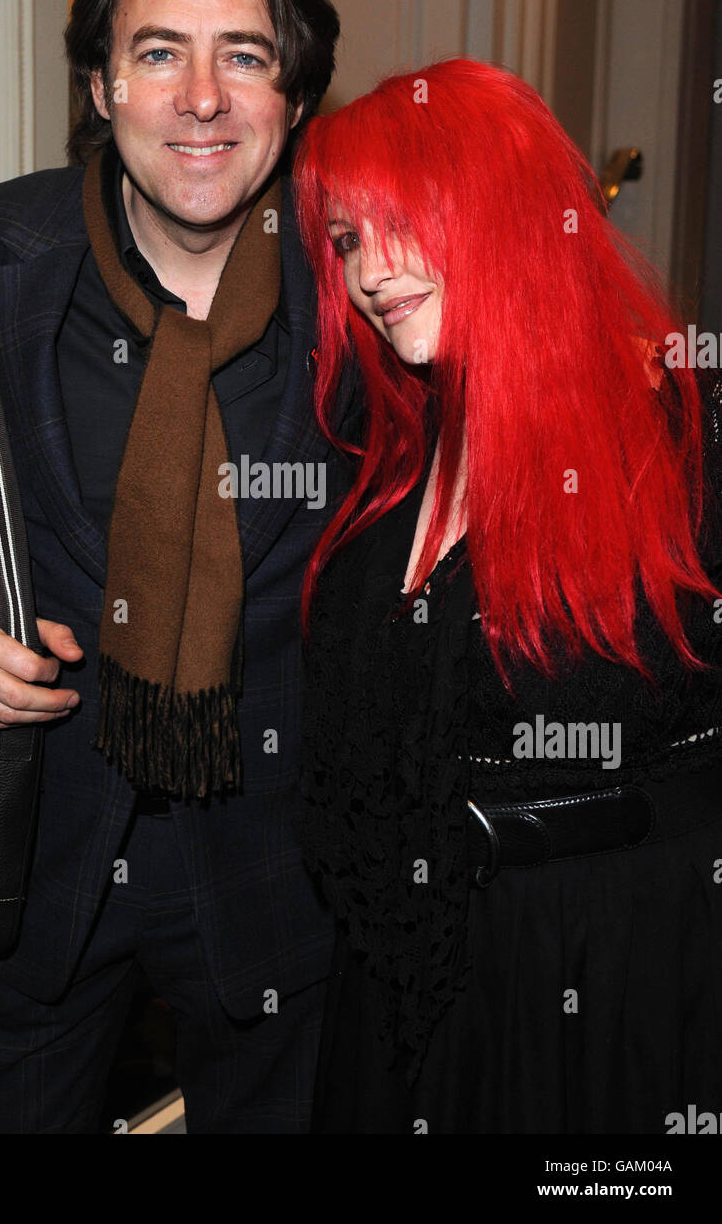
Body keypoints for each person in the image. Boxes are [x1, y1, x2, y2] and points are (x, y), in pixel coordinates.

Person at [0, 0, 359, 1134]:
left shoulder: (362, 284)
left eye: (244, 56)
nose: (201, 99)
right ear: (99, 86)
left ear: (291, 96)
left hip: (278, 842)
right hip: (45, 835)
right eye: (157, 52)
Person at [291, 57, 722, 1134]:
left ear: (511, 209)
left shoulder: (683, 431)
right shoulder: (396, 450)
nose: (370, 271)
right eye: (347, 239)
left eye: (404, 221)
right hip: (416, 976)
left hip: (612, 989)